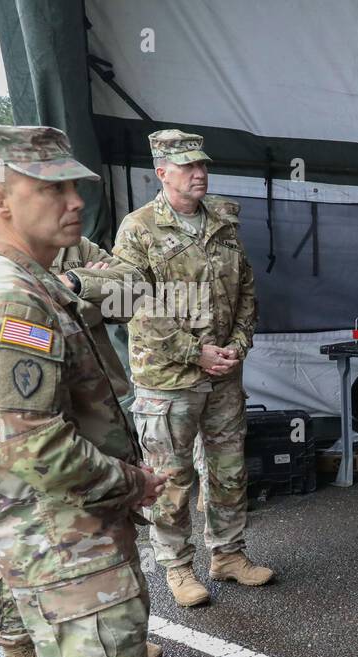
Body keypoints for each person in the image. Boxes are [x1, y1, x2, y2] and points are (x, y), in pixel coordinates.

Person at [0, 121, 260, 657]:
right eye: (48, 188)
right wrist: (134, 481)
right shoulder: (13, 300)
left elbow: (131, 292)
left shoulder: (40, 277)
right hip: (67, 535)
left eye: (72, 184)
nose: (71, 200)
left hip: (49, 534)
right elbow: (39, 447)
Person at [0, 197, 164, 657]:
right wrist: (84, 289)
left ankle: (96, 648)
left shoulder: (54, 235)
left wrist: (73, 286)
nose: (62, 197)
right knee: (26, 542)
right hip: (24, 412)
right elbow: (16, 319)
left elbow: (137, 289)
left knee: (88, 535)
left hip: (90, 401)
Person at [114, 129, 273, 608]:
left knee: (227, 468)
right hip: (168, 378)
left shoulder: (223, 223)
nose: (200, 173)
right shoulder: (138, 229)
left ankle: (228, 554)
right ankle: (178, 568)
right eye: (187, 167)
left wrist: (239, 343)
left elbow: (246, 288)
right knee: (172, 476)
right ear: (162, 173)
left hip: (223, 373)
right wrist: (194, 352)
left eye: (202, 165)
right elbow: (133, 304)